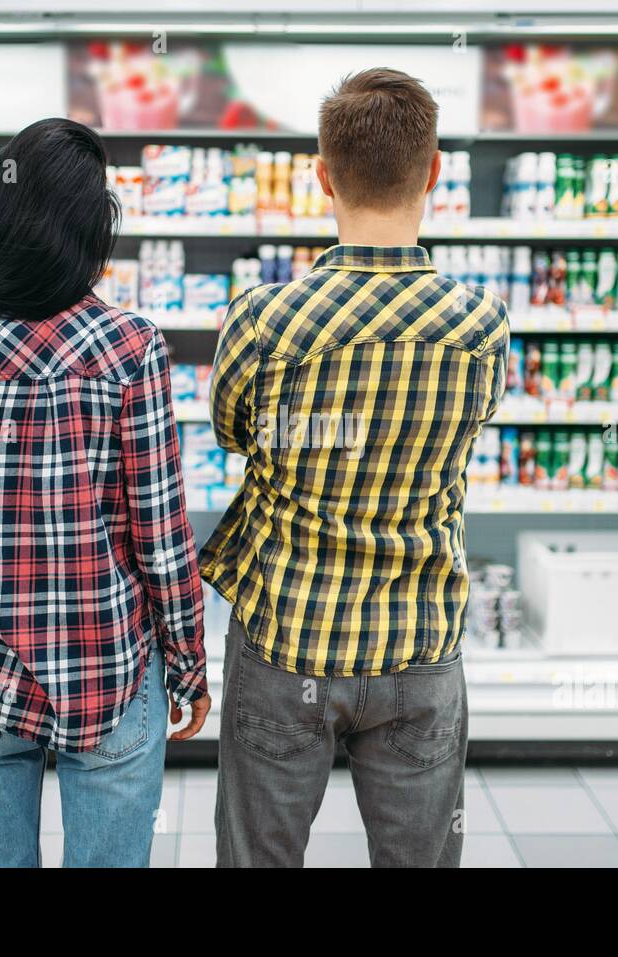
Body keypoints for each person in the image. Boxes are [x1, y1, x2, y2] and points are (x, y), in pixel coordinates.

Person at [203, 69, 509, 868]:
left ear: (322, 176)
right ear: (436, 172)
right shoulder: (480, 327)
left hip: (285, 636)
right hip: (418, 643)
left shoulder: (265, 319)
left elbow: (234, 432)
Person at [0, 117, 210, 868]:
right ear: (93, 233)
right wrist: (190, 666)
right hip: (113, 669)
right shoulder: (133, 346)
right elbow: (163, 537)